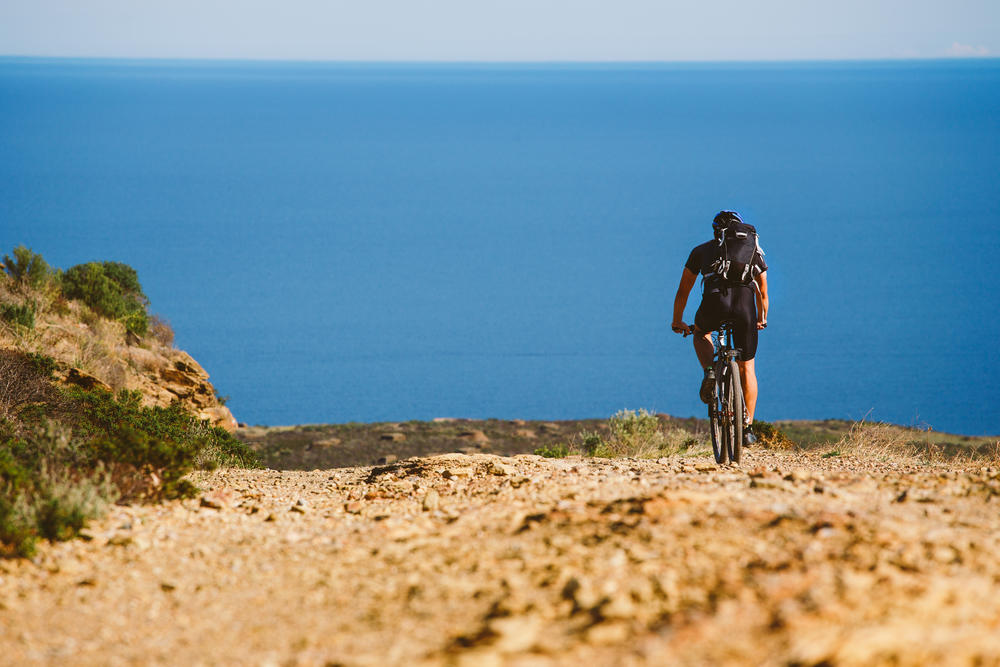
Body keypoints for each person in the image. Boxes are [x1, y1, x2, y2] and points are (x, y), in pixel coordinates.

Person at [671, 210, 768, 431]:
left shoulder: (701, 251)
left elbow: (683, 291)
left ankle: (710, 371)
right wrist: (761, 319)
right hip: (745, 307)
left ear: (716, 231)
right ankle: (747, 428)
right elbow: (762, 292)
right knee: (747, 367)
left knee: (701, 333)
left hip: (715, 304)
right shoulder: (752, 251)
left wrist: (677, 321)